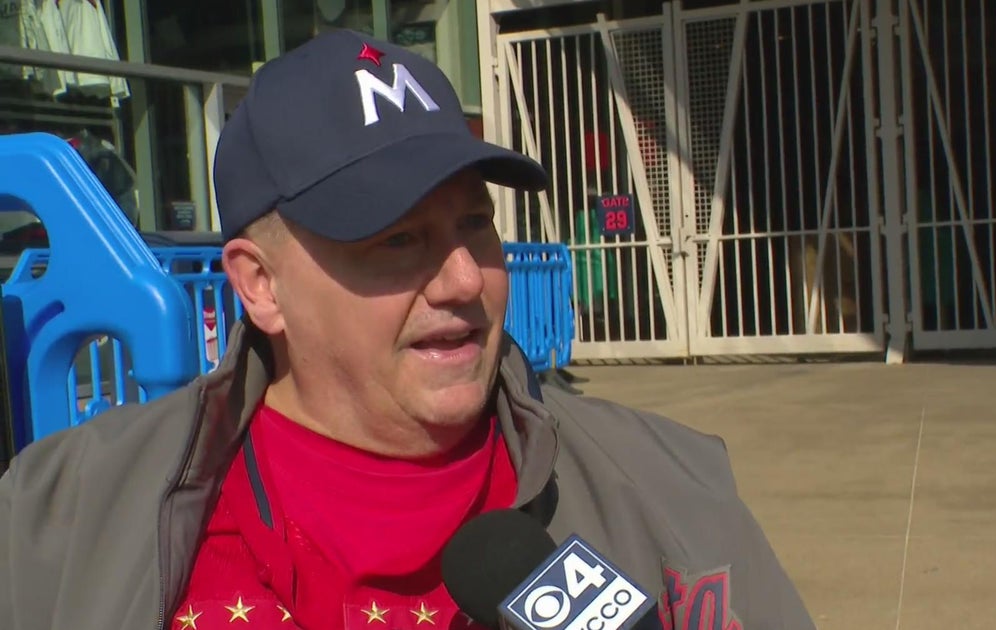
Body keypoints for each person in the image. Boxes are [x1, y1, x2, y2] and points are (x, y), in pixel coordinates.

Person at [0, 30, 815, 630]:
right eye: (397, 239)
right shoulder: (60, 515)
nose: (465, 280)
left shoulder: (673, 490)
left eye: (475, 225)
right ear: (261, 285)